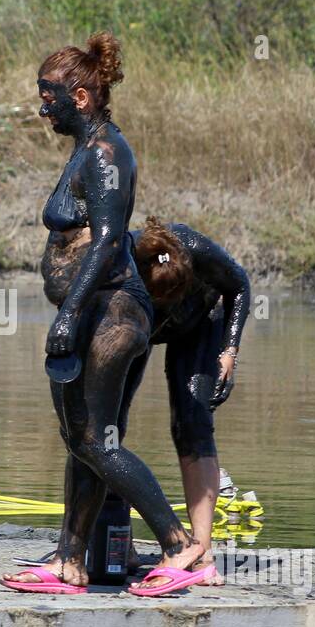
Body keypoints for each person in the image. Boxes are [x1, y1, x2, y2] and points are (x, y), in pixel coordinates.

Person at [0, 33, 211, 597]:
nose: (41, 106)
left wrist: (68, 314)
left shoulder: (106, 155)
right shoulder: (85, 151)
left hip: (111, 314)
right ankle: (70, 562)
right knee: (80, 438)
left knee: (96, 439)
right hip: (93, 313)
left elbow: (109, 241)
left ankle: (179, 548)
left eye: (49, 95)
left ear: (82, 98)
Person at [126, 217, 250, 591]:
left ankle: (203, 552)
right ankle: (117, 544)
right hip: (140, 322)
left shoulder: (195, 249)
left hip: (201, 321)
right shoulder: (123, 258)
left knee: (192, 423)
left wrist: (230, 351)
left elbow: (240, 285)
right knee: (107, 425)